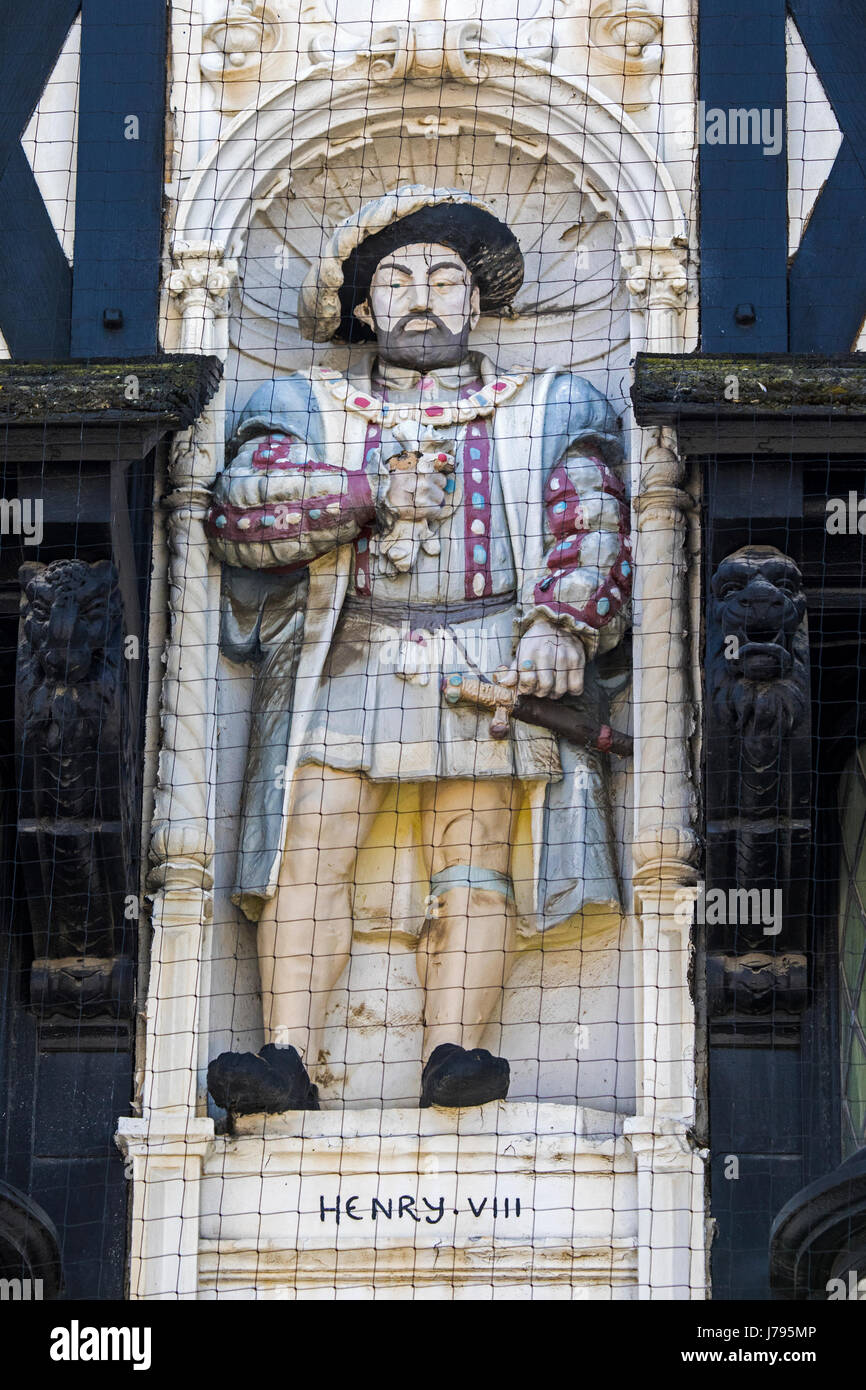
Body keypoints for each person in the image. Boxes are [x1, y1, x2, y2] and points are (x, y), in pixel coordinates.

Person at [206, 186, 631, 1113]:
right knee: (308, 839)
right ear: (364, 307)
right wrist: (364, 494)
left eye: (445, 276)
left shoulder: (552, 403)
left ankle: (457, 1053)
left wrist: (562, 621)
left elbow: (594, 517)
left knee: (477, 848)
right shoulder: (305, 406)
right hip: (347, 653)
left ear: (478, 300)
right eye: (397, 279)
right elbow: (240, 510)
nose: (424, 295)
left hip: (490, 652)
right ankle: (286, 1055)